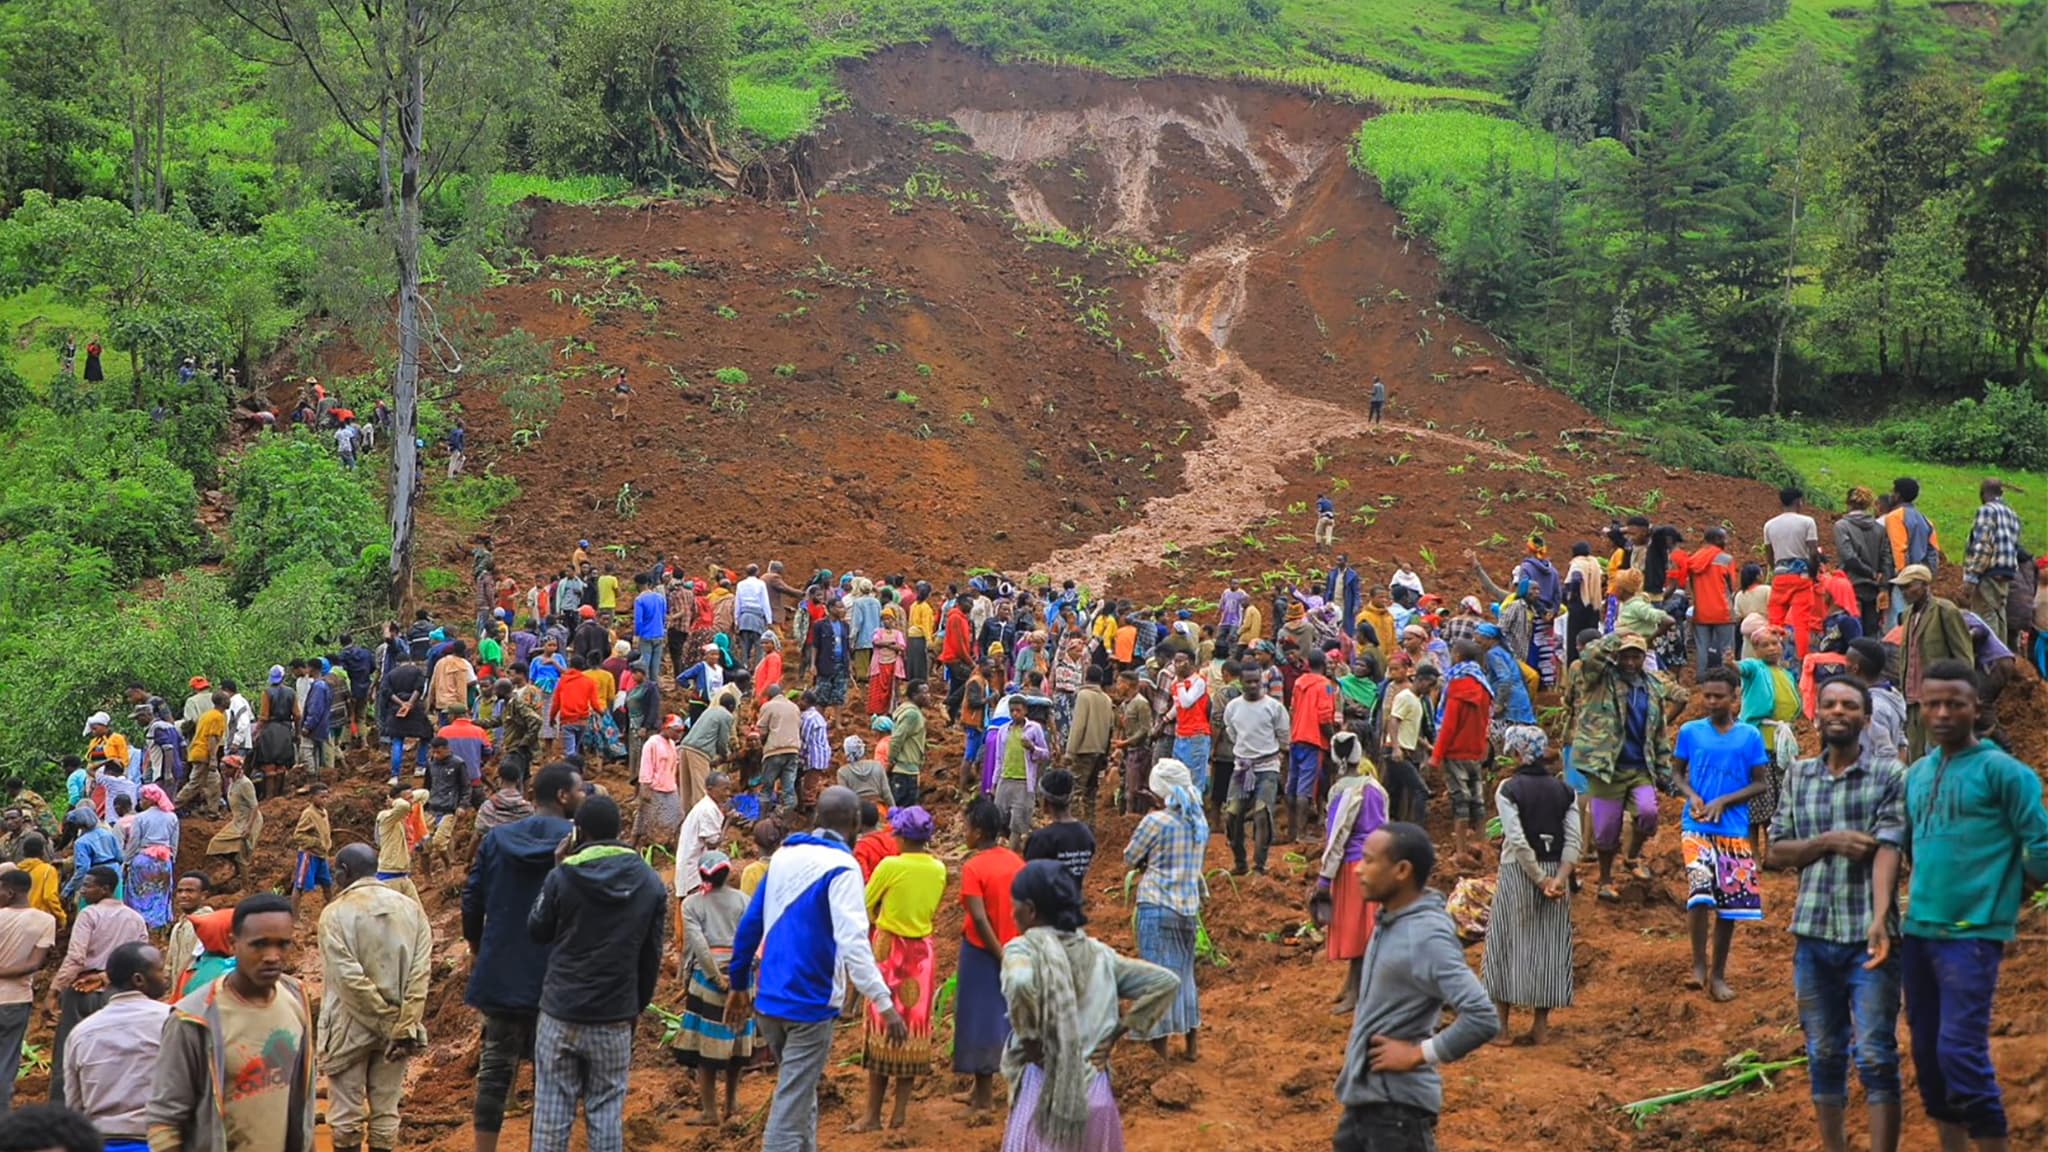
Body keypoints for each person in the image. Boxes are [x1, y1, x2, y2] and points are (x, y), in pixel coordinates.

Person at [1882, 660, 2048, 1151]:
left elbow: (2041, 846)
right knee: (1928, 1057)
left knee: (1960, 1052)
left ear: (1976, 708)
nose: (1941, 714)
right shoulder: (1917, 774)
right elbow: (1908, 847)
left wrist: (2007, 896)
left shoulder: (2004, 773)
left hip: (1974, 934)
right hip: (1920, 930)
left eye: (1954, 704)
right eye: (1932, 704)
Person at [1767, 676, 1906, 1152]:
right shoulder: (1799, 775)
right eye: (1830, 704)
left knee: (1875, 1055)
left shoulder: (1889, 776)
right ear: (1817, 715)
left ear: (1866, 719)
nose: (1839, 712)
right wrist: (1828, 842)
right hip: (1812, 934)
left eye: (1849, 705)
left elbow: (1890, 848)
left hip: (1870, 937)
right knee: (1823, 1052)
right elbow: (1776, 851)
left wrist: (1881, 917)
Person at [727, 786, 904, 1152]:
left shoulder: (783, 856)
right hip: (811, 1002)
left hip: (769, 999)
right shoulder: (843, 867)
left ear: (817, 818)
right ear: (856, 823)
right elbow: (854, 942)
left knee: (801, 1093)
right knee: (790, 1107)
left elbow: (750, 925)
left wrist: (739, 984)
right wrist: (884, 1003)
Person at [1333, 823, 1499, 1152]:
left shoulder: (1426, 934)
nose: (1357, 869)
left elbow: (1482, 1016)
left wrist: (1417, 1054)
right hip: (1365, 1108)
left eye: (1369, 860)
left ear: (1402, 871)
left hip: (1397, 1117)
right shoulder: (1391, 920)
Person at [998, 860, 1180, 1152]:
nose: (1011, 912)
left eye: (1014, 904)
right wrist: (1117, 1032)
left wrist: (1031, 1038)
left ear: (1030, 910)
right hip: (1095, 1094)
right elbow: (1165, 981)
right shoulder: (1100, 955)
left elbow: (1019, 982)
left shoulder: (1024, 949)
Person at [526, 796, 669, 1152]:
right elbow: (651, 956)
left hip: (560, 1011)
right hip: (615, 1014)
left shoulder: (563, 875)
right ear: (619, 830)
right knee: (606, 1111)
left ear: (579, 832)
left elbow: (537, 929)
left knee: (551, 1114)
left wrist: (555, 868)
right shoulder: (649, 881)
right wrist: (636, 1006)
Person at [463, 763, 581, 1152]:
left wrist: (477, 947)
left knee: (495, 1069)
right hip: (558, 974)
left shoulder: (497, 839)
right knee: (552, 1073)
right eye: (579, 791)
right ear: (563, 796)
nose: (582, 796)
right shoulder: (577, 842)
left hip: (502, 969)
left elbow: (472, 899)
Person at [148, 894, 315, 1152]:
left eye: (282, 944)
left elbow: (303, 1101)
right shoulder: (193, 1018)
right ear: (233, 944)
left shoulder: (295, 998)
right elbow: (165, 1121)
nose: (272, 956)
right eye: (259, 945)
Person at [317, 844, 433, 1152]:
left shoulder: (334, 914)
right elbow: (420, 975)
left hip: (348, 1026)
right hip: (398, 1029)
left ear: (344, 872)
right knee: (386, 1113)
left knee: (346, 1118)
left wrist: (384, 1021)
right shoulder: (412, 910)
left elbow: (347, 979)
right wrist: (402, 1025)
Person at [1674, 667, 1771, 1002]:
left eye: (1719, 696)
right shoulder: (1690, 731)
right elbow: (1677, 773)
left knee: (1730, 905)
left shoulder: (1750, 736)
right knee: (1699, 892)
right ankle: (1698, 965)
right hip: (1696, 825)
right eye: (1707, 695)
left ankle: (1718, 974)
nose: (1712, 702)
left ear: (1735, 697)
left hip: (1733, 829)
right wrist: (1692, 795)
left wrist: (1724, 801)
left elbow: (1760, 783)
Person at [1481, 728, 1579, 1045]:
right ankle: (1540, 1027)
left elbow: (1517, 839)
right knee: (1549, 945)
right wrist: (1558, 879)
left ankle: (1501, 1027)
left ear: (1516, 753)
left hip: (1519, 871)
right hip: (1556, 873)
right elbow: (1574, 841)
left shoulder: (1508, 789)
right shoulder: (1566, 791)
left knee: (1505, 944)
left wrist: (1539, 878)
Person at [854, 806, 947, 1133]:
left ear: (902, 836)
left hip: (890, 950)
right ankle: (900, 1115)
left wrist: (879, 916)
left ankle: (872, 1115)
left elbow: (865, 902)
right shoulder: (938, 868)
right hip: (921, 954)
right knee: (913, 1030)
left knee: (881, 1024)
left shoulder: (890, 865)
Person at [1124, 759, 1207, 1061]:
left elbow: (1130, 857)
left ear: (1159, 792)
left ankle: (1159, 1051)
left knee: (1157, 977)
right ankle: (1191, 1045)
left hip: (1157, 904)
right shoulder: (1198, 822)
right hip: (1187, 908)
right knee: (1185, 975)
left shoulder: (1155, 821)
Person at [50, 865, 149, 1105]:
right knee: (112, 1051)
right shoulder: (135, 919)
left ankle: (62, 1109)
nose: (82, 890)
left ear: (105, 889)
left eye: (88, 886)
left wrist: (55, 990)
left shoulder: (89, 915)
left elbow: (76, 958)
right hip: (116, 992)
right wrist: (108, 977)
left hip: (82, 989)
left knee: (67, 1050)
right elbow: (142, 957)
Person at [671, 850, 756, 1127]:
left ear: (701, 875)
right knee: (737, 1044)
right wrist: (737, 978)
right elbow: (751, 941)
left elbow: (698, 946)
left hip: (708, 982)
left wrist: (718, 979)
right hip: (741, 980)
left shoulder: (692, 904)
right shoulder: (743, 900)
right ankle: (732, 1104)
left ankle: (710, 1111)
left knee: (705, 1050)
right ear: (728, 873)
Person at [59, 939, 168, 1150]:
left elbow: (74, 1103)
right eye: (160, 970)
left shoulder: (81, 1033)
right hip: (160, 1141)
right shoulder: (172, 1021)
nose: (166, 976)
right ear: (139, 979)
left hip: (101, 1141)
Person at [956, 799, 1025, 1118]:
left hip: (982, 951)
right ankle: (979, 1090)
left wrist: (998, 954)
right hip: (1013, 946)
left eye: (966, 827)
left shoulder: (973, 867)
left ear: (979, 832)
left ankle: (983, 1100)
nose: (963, 832)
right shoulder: (1015, 861)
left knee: (979, 1020)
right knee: (1000, 1015)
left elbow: (979, 918)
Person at [1314, 733, 1387, 1015]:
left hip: (1352, 866)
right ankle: (1353, 987)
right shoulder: (1375, 787)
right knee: (1367, 928)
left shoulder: (1342, 791)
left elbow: (1337, 838)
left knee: (1356, 931)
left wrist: (1324, 878)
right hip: (1378, 861)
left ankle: (1357, 993)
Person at [1891, 564, 1973, 759]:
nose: (1904, 592)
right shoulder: (1908, 615)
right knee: (1916, 758)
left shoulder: (1945, 611)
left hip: (1939, 699)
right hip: (1913, 700)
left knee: (1941, 756)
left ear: (1924, 585)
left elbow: (1964, 658)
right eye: (1901, 588)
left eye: (1909, 586)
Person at [1222, 669, 1289, 875]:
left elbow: (1283, 736)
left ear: (1261, 681)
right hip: (1242, 768)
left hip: (1267, 767)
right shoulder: (1233, 707)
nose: (1252, 685)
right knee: (1232, 815)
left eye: (1256, 681)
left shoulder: (1274, 707)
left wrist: (1278, 758)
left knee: (1262, 815)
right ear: (1240, 682)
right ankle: (1240, 862)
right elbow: (1232, 732)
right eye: (1248, 682)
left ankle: (1259, 865)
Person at [1432, 642, 1494, 860]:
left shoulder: (1457, 686)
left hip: (1456, 751)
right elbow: (1486, 720)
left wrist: (1437, 755)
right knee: (1477, 800)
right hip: (1476, 750)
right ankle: (1481, 844)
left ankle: (1461, 851)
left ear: (1457, 655)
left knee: (1460, 801)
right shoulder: (1484, 685)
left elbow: (1449, 725)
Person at [0, 869, 55, 1110]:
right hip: (16, 1000)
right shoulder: (45, 921)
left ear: (10, 892)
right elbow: (34, 964)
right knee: (7, 1060)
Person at [981, 697, 1050, 850]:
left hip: (1024, 781)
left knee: (1018, 823)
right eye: (1012, 711)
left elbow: (1045, 754)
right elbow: (999, 759)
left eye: (1018, 710)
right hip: (1005, 779)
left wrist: (1033, 748)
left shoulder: (1034, 729)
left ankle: (1012, 853)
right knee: (998, 818)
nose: (1015, 714)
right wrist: (994, 783)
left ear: (1025, 711)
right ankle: (997, 853)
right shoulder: (1003, 730)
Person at [1962, 478, 2024, 649]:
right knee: (1999, 614)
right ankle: (2002, 654)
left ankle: (1991, 657)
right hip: (2007, 571)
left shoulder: (1986, 511)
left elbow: (1983, 545)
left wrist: (1971, 578)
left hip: (1988, 571)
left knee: (1985, 616)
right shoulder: (2012, 514)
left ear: (1982, 494)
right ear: (2001, 493)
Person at [1766, 487, 1826, 659]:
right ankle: (1802, 660)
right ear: (1799, 501)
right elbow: (1813, 553)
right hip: (1801, 577)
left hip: (1780, 576)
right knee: (1802, 623)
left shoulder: (1769, 525)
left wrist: (1776, 571)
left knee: (1775, 621)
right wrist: (1813, 574)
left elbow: (1769, 555)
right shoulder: (1807, 522)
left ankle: (1772, 657)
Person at [1285, 649, 1336, 842]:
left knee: (1293, 783)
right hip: (1313, 739)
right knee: (1305, 788)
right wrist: (1333, 738)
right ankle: (1301, 833)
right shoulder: (1326, 685)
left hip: (1296, 736)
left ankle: (1291, 830)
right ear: (1323, 665)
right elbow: (1324, 717)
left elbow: (1293, 709)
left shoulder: (1300, 682)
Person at [1833, 488, 1893, 637]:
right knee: (1872, 631)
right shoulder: (1879, 529)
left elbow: (1849, 557)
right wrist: (1882, 583)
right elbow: (1886, 558)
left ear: (1848, 503)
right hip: (1873, 587)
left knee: (1851, 631)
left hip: (1850, 585)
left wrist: (1870, 573)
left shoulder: (1842, 526)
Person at [1023, 769, 1097, 885]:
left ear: (1045, 802)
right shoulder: (1086, 834)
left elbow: (1030, 881)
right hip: (1074, 896)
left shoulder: (1041, 839)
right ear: (1071, 798)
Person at [1066, 666, 1115, 825]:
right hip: (1099, 750)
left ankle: (1073, 826)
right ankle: (1090, 825)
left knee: (1075, 791)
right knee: (1091, 793)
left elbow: (1078, 726)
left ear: (1086, 677)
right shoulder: (1107, 699)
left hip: (1083, 750)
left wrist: (1070, 752)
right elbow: (1110, 728)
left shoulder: (1083, 696)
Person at [676, 772, 732, 884]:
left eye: (728, 789)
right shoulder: (707, 809)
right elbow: (712, 844)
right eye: (724, 789)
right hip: (693, 868)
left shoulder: (708, 806)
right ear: (710, 789)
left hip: (694, 864)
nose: (728, 793)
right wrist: (729, 822)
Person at [164, 874, 213, 1000]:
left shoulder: (209, 924)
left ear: (204, 895)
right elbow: (169, 966)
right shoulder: (178, 926)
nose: (183, 895)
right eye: (180, 891)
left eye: (190, 891)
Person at [288, 783, 333, 918]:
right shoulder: (308, 814)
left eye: (326, 797)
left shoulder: (324, 812)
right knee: (300, 885)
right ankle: (295, 917)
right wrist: (315, 843)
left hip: (321, 855)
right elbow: (298, 835)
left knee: (327, 884)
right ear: (312, 797)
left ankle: (332, 912)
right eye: (321, 797)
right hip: (309, 855)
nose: (324, 800)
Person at [887, 680, 929, 809]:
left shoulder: (908, 711)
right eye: (924, 693)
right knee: (905, 811)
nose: (928, 696)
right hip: (905, 772)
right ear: (914, 695)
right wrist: (891, 760)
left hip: (905, 770)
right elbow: (897, 739)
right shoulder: (912, 715)